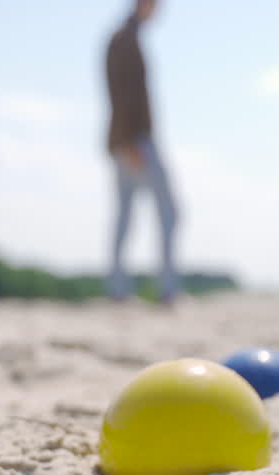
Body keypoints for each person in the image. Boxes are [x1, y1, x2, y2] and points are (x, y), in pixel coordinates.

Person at [105, 0, 179, 305]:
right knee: (168, 212)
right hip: (135, 141)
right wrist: (129, 143)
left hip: (128, 140)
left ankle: (120, 290)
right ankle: (165, 290)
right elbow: (118, 94)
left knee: (126, 216)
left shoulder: (127, 38)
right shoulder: (124, 40)